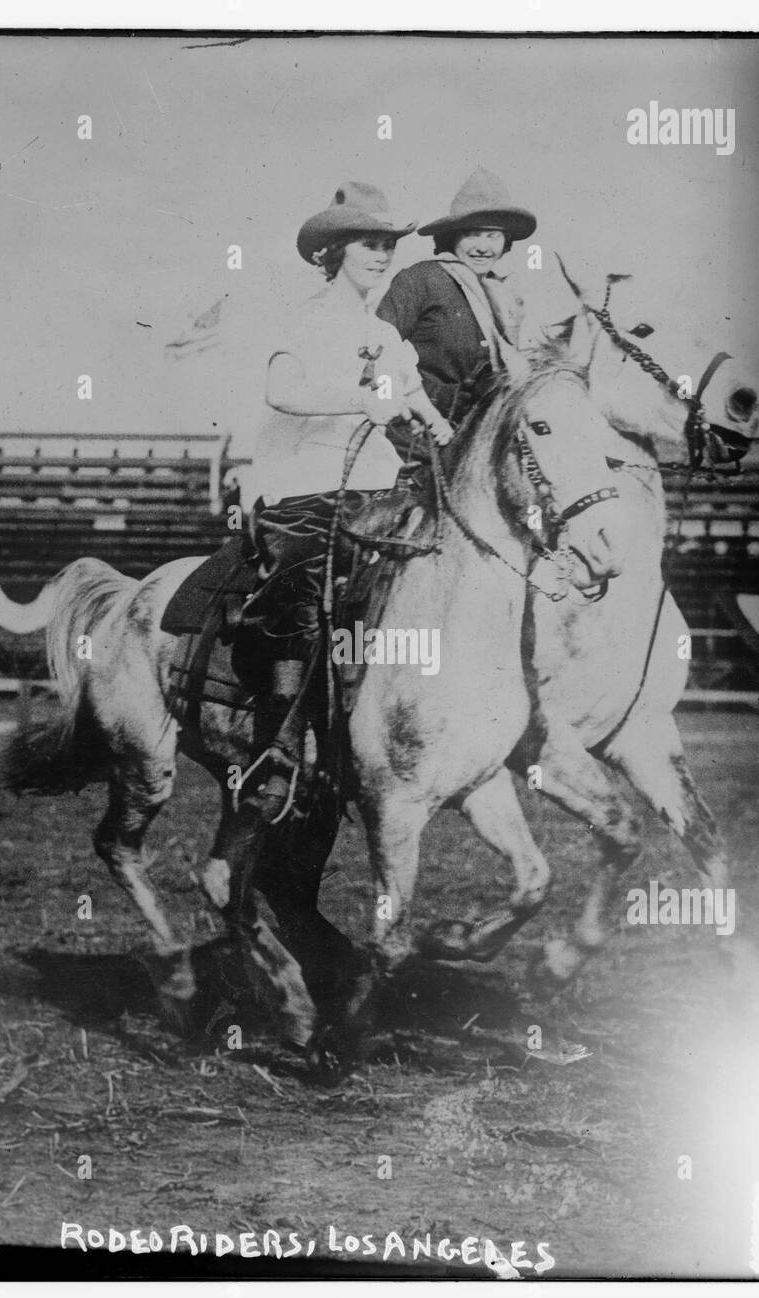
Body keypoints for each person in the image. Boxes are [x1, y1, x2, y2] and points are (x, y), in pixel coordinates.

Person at [241, 181, 452, 823]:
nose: (384, 254)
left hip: (373, 493)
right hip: (303, 489)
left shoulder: (383, 335)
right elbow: (281, 392)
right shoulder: (301, 318)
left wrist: (449, 436)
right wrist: (357, 399)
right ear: (333, 250)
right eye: (371, 243)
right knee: (303, 598)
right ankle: (273, 754)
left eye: (389, 244)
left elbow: (416, 402)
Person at [376, 167, 540, 465]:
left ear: (506, 243)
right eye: (472, 234)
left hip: (484, 440)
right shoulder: (422, 279)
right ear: (453, 238)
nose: (482, 246)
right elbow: (376, 347)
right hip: (419, 439)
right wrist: (404, 403)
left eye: (492, 236)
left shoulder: (505, 298)